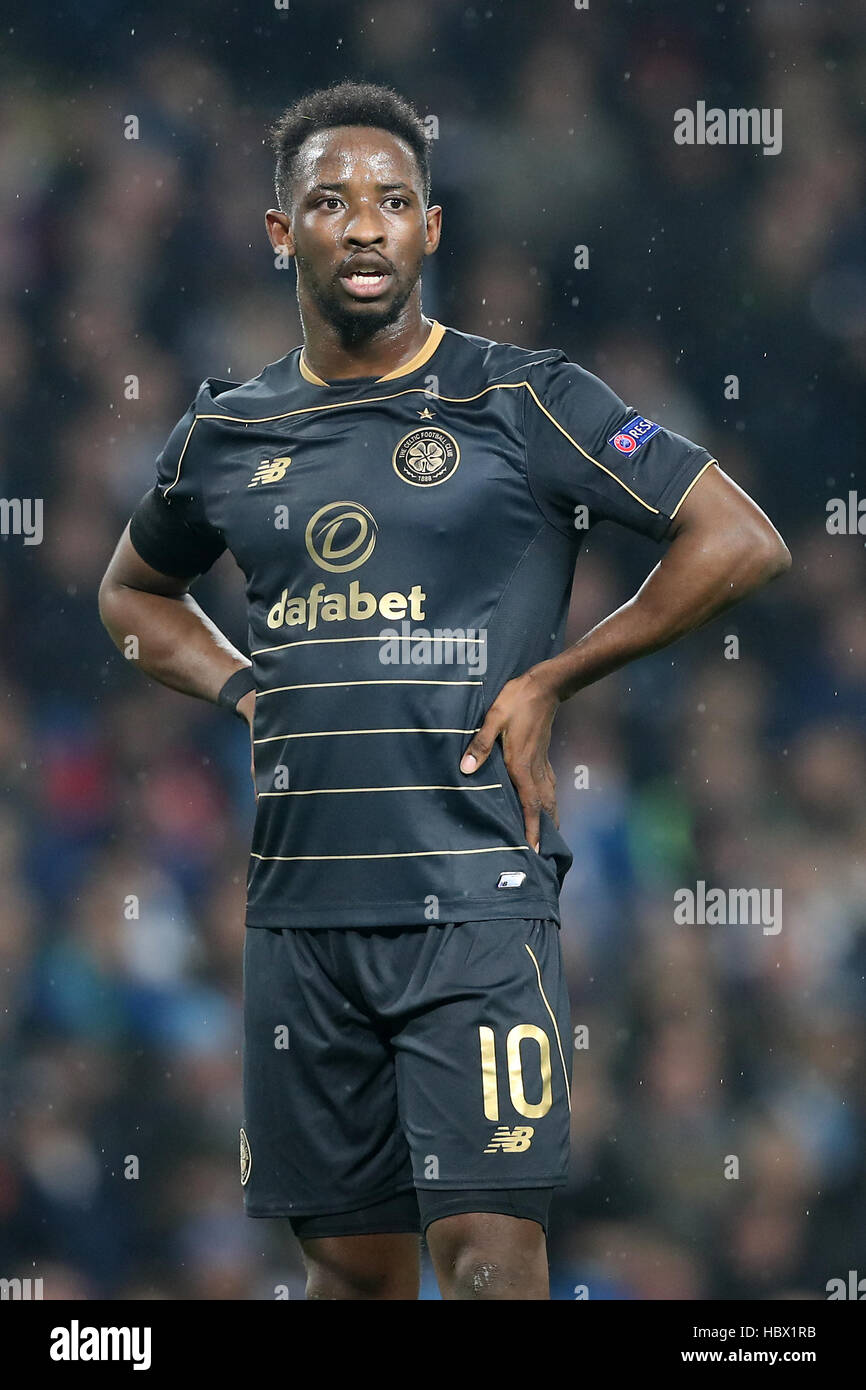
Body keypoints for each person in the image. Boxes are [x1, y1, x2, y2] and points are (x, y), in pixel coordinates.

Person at [98, 80, 790, 1300]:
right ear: (278, 234)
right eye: (328, 201)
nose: (362, 224)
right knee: (354, 1276)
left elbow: (736, 539)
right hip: (300, 913)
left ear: (429, 231)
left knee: (484, 1264)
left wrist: (556, 675)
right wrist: (245, 686)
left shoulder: (521, 399)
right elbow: (133, 597)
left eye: (392, 201)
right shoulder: (226, 431)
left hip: (471, 906)